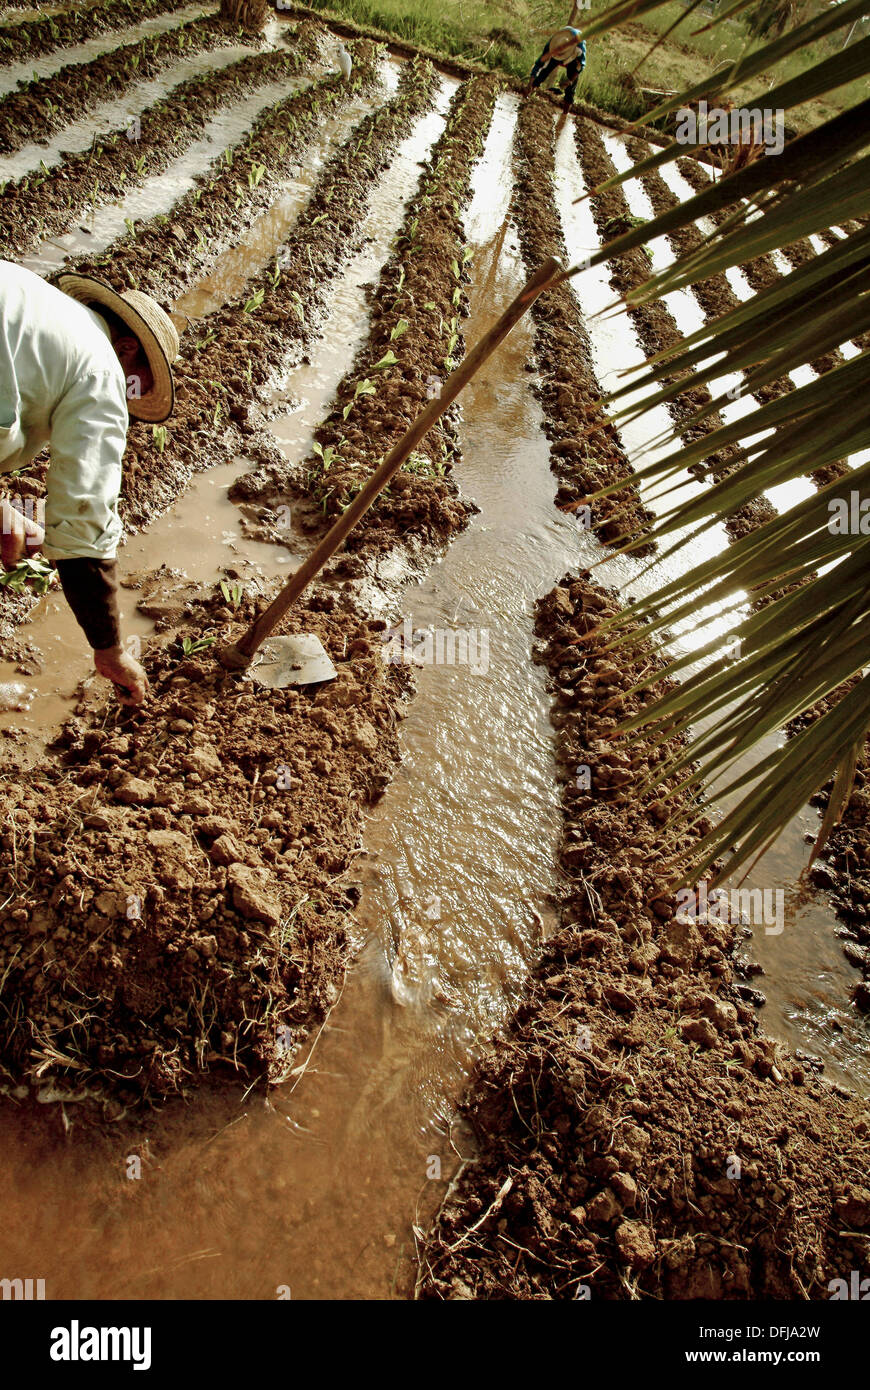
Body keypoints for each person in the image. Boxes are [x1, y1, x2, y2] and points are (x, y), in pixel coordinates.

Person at [0, 261, 179, 705]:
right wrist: (110, 649)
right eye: (136, 385)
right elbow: (85, 521)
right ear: (128, 349)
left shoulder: (40, 310)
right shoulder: (101, 369)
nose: (129, 395)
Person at [526, 26, 587, 110]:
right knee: (543, 72)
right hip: (555, 55)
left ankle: (566, 110)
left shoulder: (579, 49)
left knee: (571, 87)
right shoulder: (552, 44)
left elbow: (580, 67)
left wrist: (570, 80)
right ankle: (530, 93)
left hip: (572, 59)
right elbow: (539, 64)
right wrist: (530, 82)